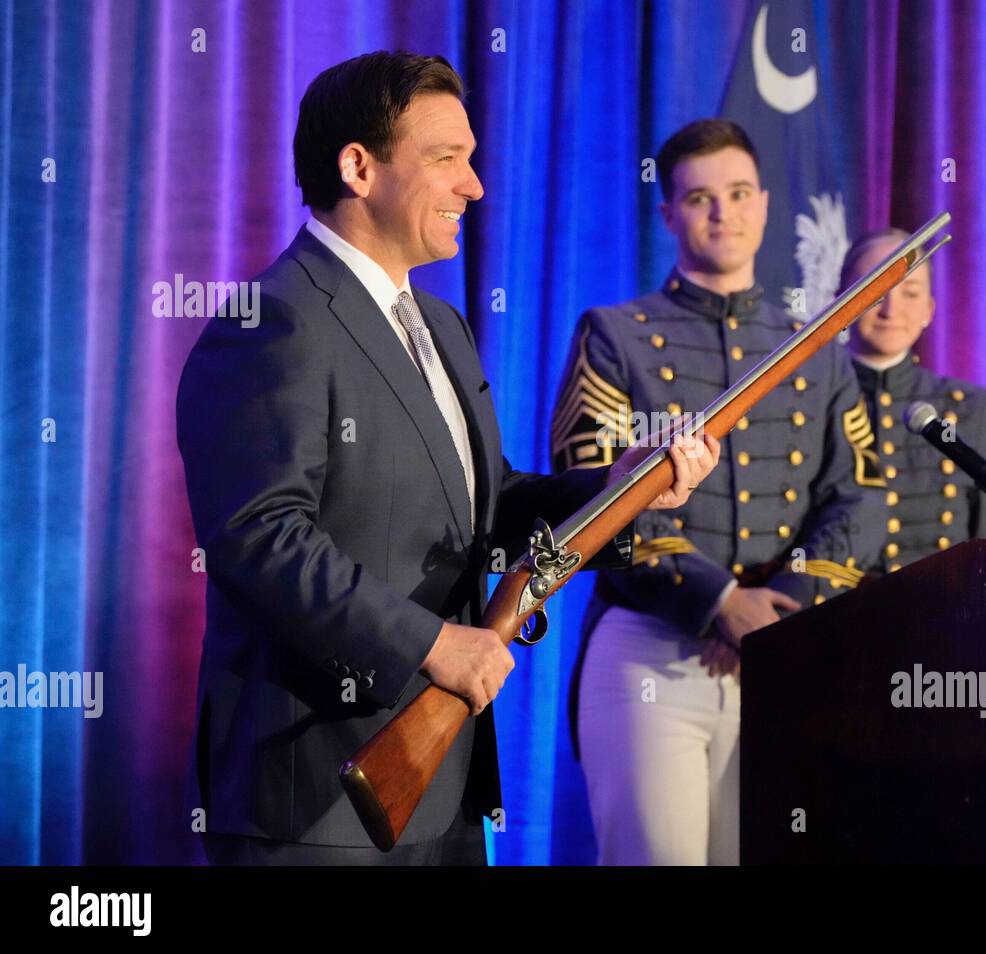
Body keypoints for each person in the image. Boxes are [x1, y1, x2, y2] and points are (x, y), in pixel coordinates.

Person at [175, 51, 719, 866]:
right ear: (358, 167)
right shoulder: (270, 322)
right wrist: (434, 645)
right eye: (448, 159)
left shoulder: (440, 324)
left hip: (445, 786)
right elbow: (261, 540)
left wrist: (621, 489)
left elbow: (488, 513)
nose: (475, 187)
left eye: (472, 160)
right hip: (315, 794)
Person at [550, 119, 887, 865]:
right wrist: (717, 602)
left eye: (737, 194)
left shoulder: (817, 350)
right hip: (650, 650)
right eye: (699, 198)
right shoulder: (614, 334)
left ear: (765, 204)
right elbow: (589, 496)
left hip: (784, 650)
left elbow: (858, 498)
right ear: (667, 213)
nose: (722, 213)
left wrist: (785, 604)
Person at [839, 228, 986, 572]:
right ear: (840, 300)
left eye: (909, 293)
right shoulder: (812, 403)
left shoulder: (970, 409)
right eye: (876, 291)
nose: (890, 310)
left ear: (928, 310)